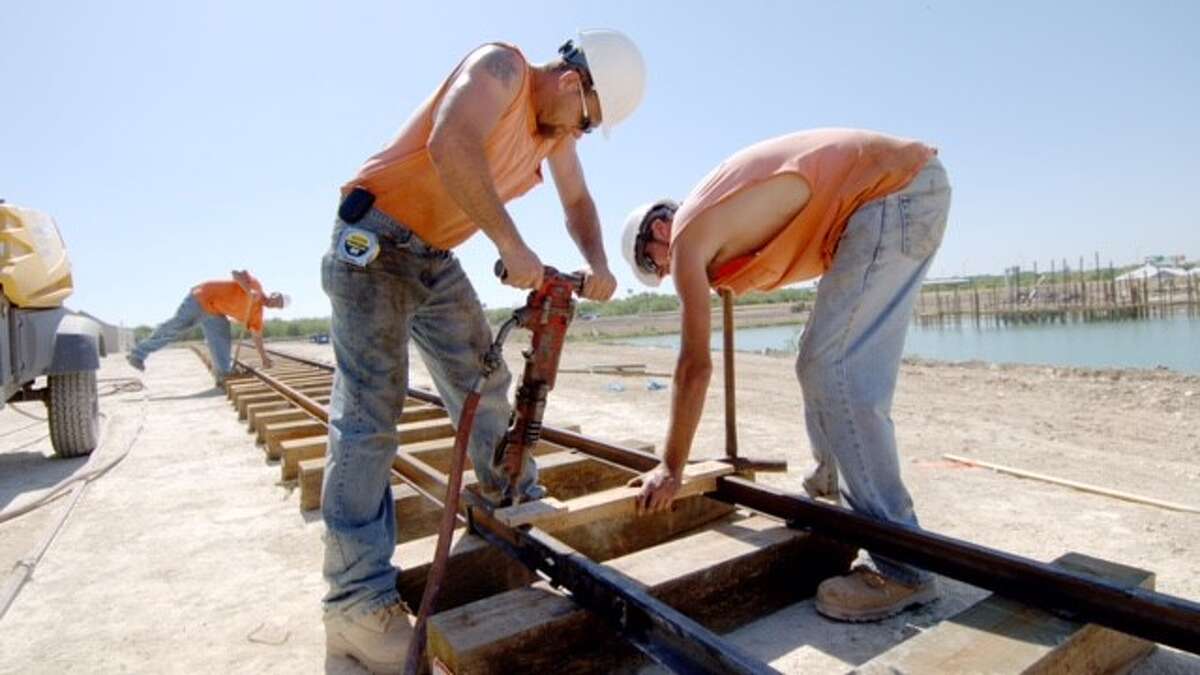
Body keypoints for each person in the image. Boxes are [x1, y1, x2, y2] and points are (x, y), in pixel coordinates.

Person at [320, 30, 645, 672]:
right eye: (586, 122)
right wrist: (510, 242)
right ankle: (355, 605)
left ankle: (510, 503)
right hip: (373, 240)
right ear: (574, 85)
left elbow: (577, 200)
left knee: (482, 379)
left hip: (432, 255)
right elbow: (451, 142)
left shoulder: (554, 134)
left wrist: (600, 263)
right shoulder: (501, 69)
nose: (579, 135)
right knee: (369, 419)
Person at [621, 128, 951, 623]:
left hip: (893, 196)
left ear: (658, 235)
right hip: (893, 194)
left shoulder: (689, 237)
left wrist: (671, 466)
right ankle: (828, 494)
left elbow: (693, 366)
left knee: (831, 365)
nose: (667, 273)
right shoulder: (718, 215)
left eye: (655, 264)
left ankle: (903, 568)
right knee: (814, 361)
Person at [126, 270, 287, 384]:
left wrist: (264, 358)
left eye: (279, 305)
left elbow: (257, 337)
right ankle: (138, 354)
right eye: (277, 298)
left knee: (223, 336)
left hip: (215, 312)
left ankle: (223, 373)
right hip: (203, 297)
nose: (275, 302)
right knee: (176, 327)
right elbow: (235, 274)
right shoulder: (256, 285)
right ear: (274, 293)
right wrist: (248, 290)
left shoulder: (257, 315)